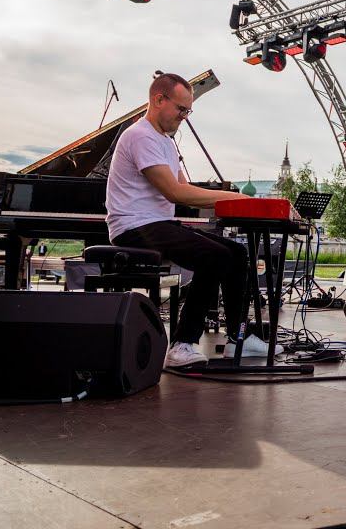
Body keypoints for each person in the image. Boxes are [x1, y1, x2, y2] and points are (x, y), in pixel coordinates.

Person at [106, 73, 278, 368]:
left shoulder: (166, 142)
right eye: (181, 109)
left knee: (236, 253)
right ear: (159, 100)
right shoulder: (140, 136)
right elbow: (175, 192)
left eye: (188, 111)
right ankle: (181, 345)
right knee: (214, 256)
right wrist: (236, 199)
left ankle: (237, 338)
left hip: (156, 224)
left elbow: (184, 189)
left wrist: (231, 202)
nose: (184, 117)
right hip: (133, 227)